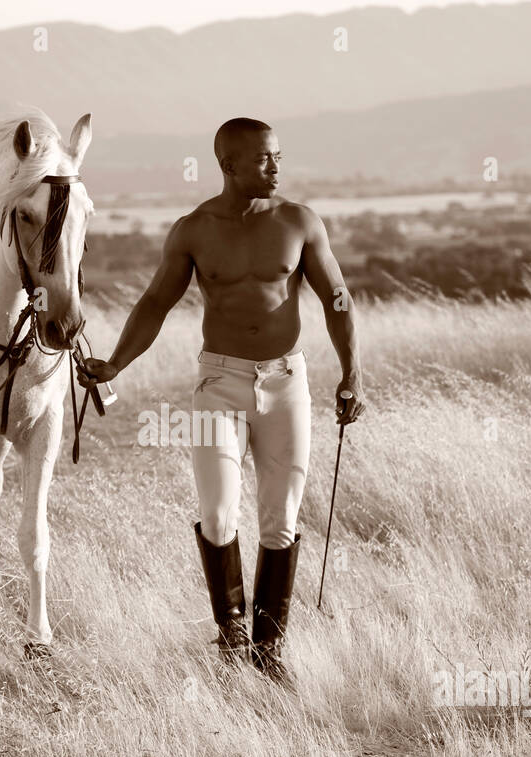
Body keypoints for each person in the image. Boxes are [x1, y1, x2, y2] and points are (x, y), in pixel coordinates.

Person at [77, 117, 364, 683]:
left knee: (280, 519)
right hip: (220, 384)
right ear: (229, 165)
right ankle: (231, 638)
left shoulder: (300, 222)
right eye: (263, 159)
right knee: (218, 512)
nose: (277, 167)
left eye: (278, 155)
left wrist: (353, 373)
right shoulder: (193, 230)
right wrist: (114, 363)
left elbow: (336, 298)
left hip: (287, 384)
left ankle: (268, 649)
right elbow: (156, 303)